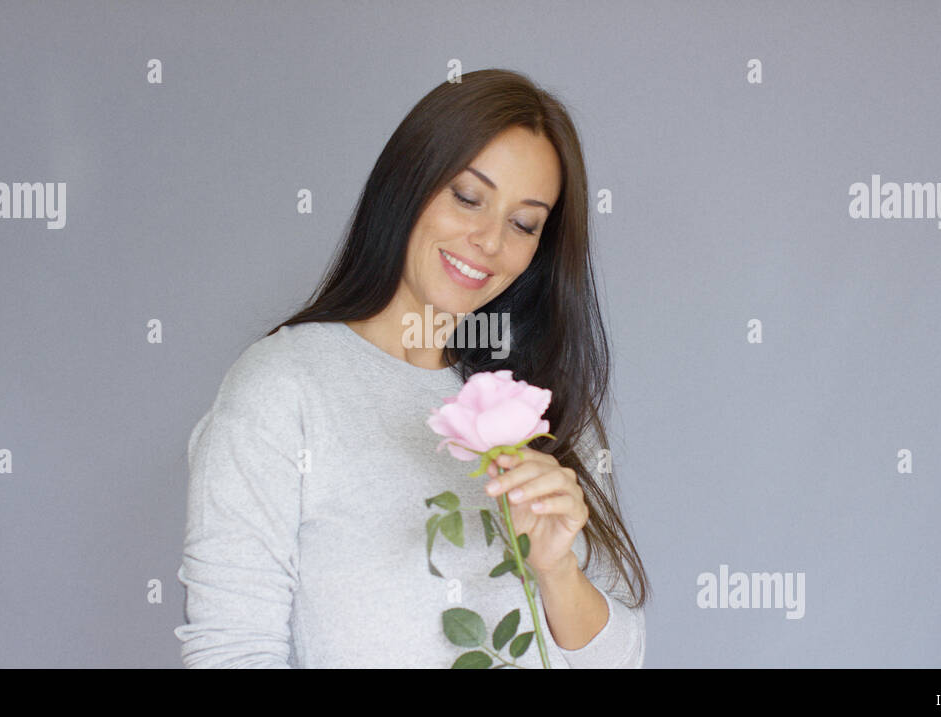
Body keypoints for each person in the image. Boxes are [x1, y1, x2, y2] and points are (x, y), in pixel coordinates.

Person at [174, 69, 650, 668]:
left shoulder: (538, 402)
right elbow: (231, 652)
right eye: (468, 197)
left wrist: (556, 570)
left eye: (523, 223)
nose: (488, 240)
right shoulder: (285, 386)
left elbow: (619, 660)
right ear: (407, 186)